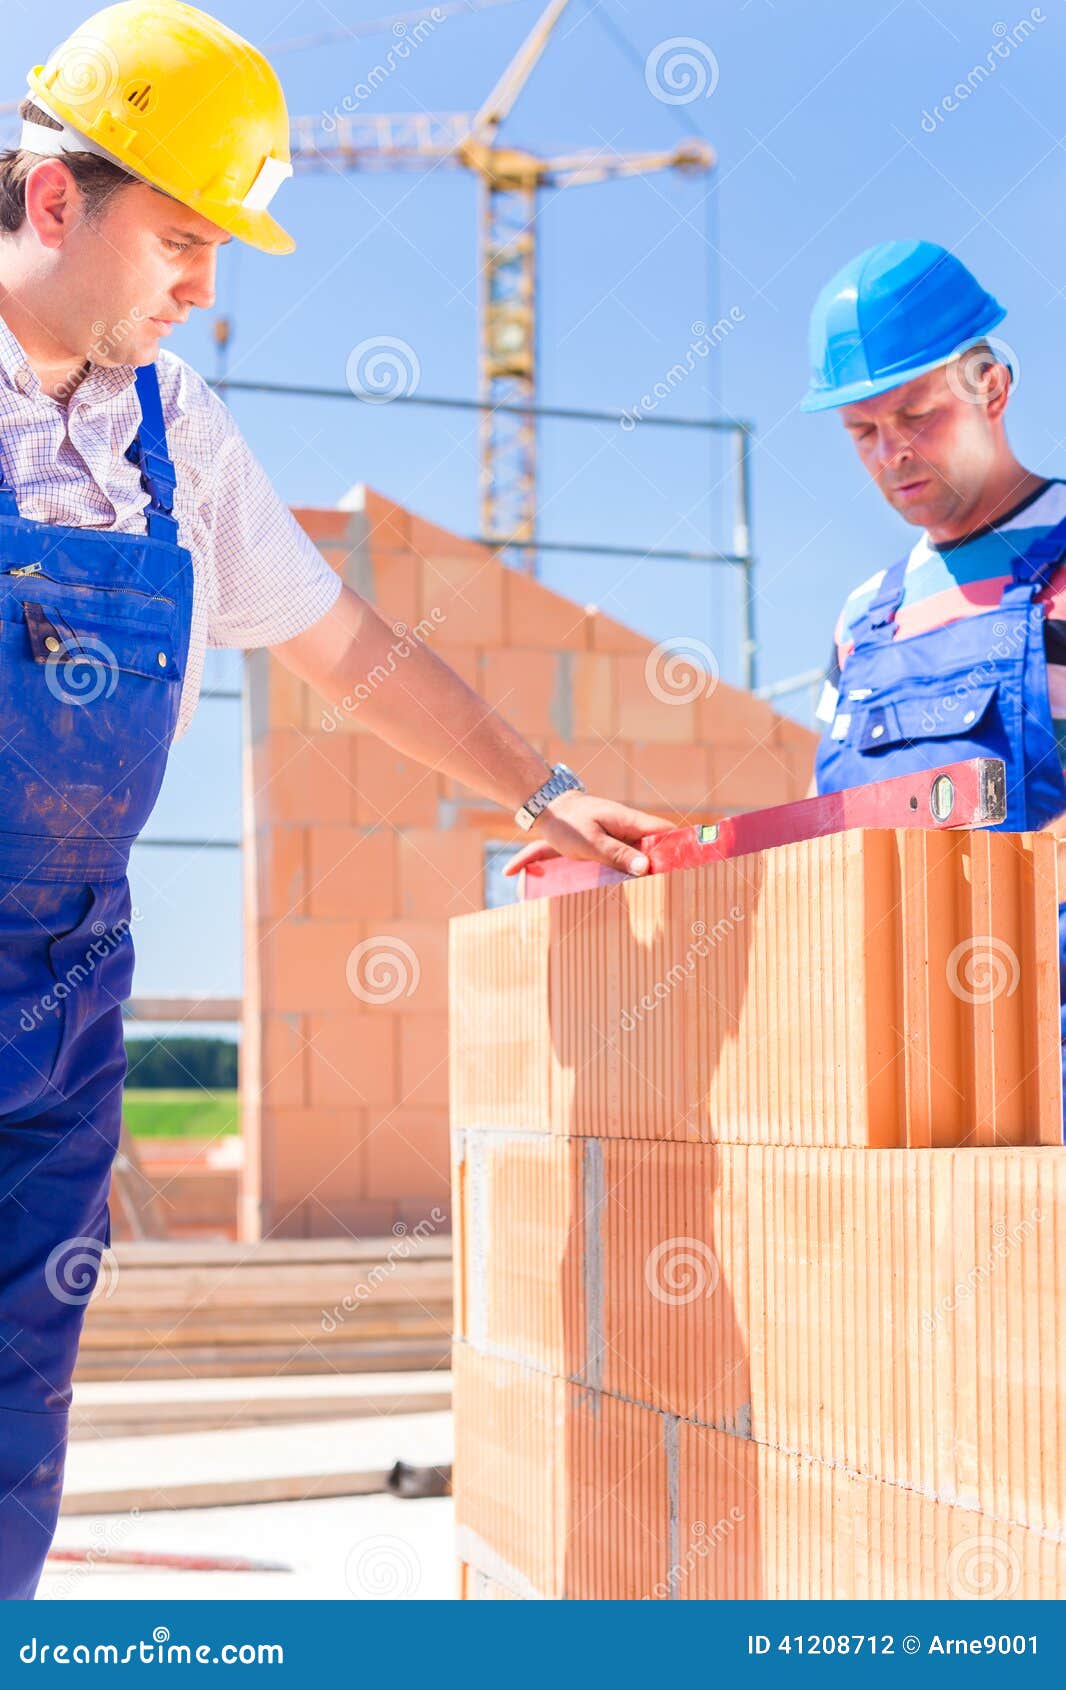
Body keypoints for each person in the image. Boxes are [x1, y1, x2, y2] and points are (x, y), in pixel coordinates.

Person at [0, 0, 671, 1598]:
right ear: (49, 202)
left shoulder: (175, 435)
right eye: (179, 237)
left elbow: (349, 651)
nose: (203, 284)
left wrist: (544, 784)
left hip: (66, 981)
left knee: (22, 1397)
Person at [803, 238, 1066, 1111]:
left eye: (916, 416)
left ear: (991, 387)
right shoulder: (860, 622)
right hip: (902, 1082)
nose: (892, 454)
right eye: (863, 433)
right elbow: (832, 855)